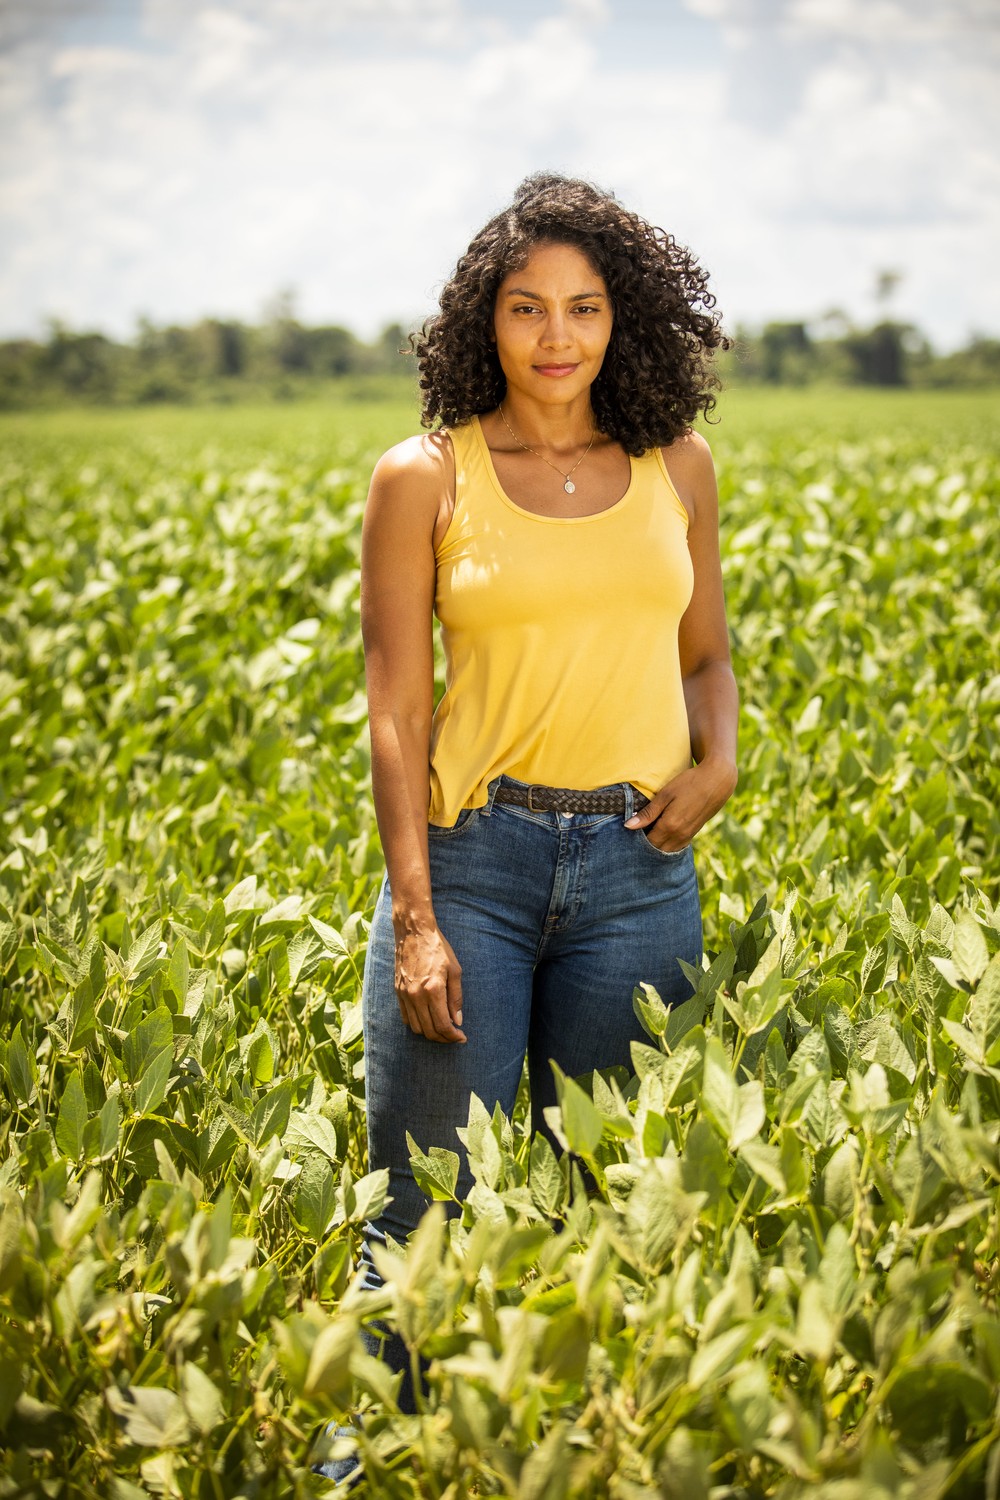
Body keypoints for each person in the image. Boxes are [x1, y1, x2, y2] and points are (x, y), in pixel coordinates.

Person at [314, 171, 738, 1481]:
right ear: (479, 323)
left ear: (628, 320)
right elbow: (394, 712)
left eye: (587, 308)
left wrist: (719, 762)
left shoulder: (680, 465)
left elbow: (706, 657)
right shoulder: (423, 477)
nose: (558, 337)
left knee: (606, 1193)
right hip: (474, 875)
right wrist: (421, 921)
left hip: (640, 876)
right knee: (424, 1202)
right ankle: (379, 1460)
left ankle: (567, 1454)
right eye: (526, 308)